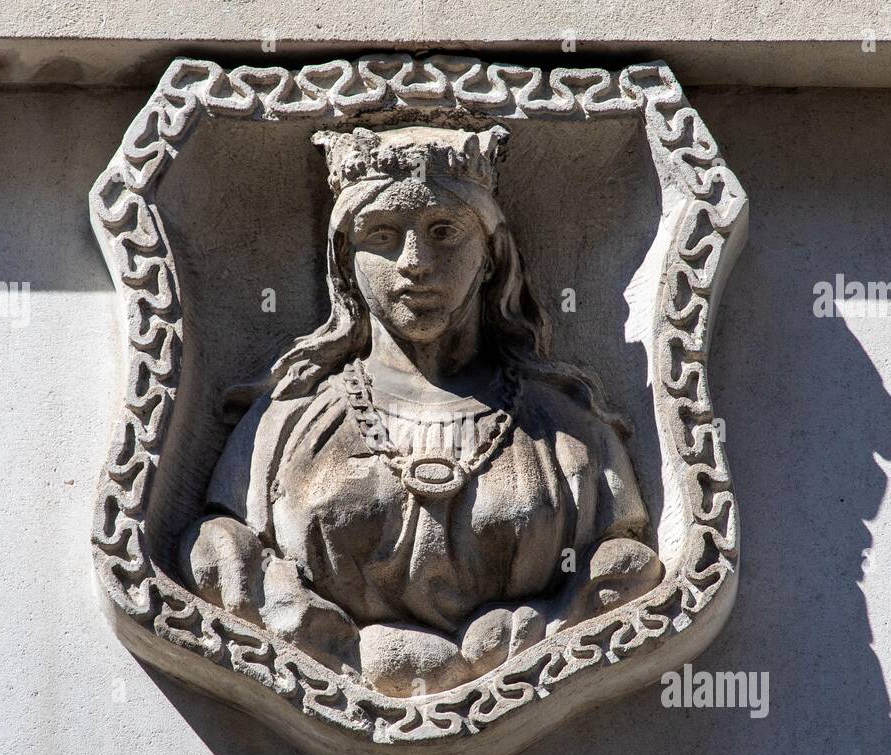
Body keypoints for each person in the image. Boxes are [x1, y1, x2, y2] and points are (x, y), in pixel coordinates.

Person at [180, 124, 662, 697]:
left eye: (443, 232)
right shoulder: (284, 424)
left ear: (491, 256)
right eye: (382, 235)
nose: (415, 262)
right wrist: (329, 640)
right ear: (346, 264)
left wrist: (536, 633)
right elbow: (216, 552)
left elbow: (626, 563)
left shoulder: (566, 433)